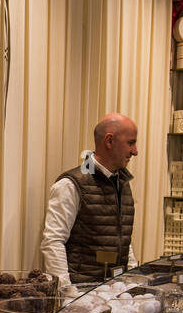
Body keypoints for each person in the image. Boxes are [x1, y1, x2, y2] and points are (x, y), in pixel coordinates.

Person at [40, 114, 140, 288]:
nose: (135, 151)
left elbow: (123, 238)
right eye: (130, 143)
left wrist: (131, 279)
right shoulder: (70, 185)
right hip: (82, 295)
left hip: (117, 294)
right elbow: (53, 242)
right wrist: (67, 294)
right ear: (109, 141)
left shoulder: (123, 183)